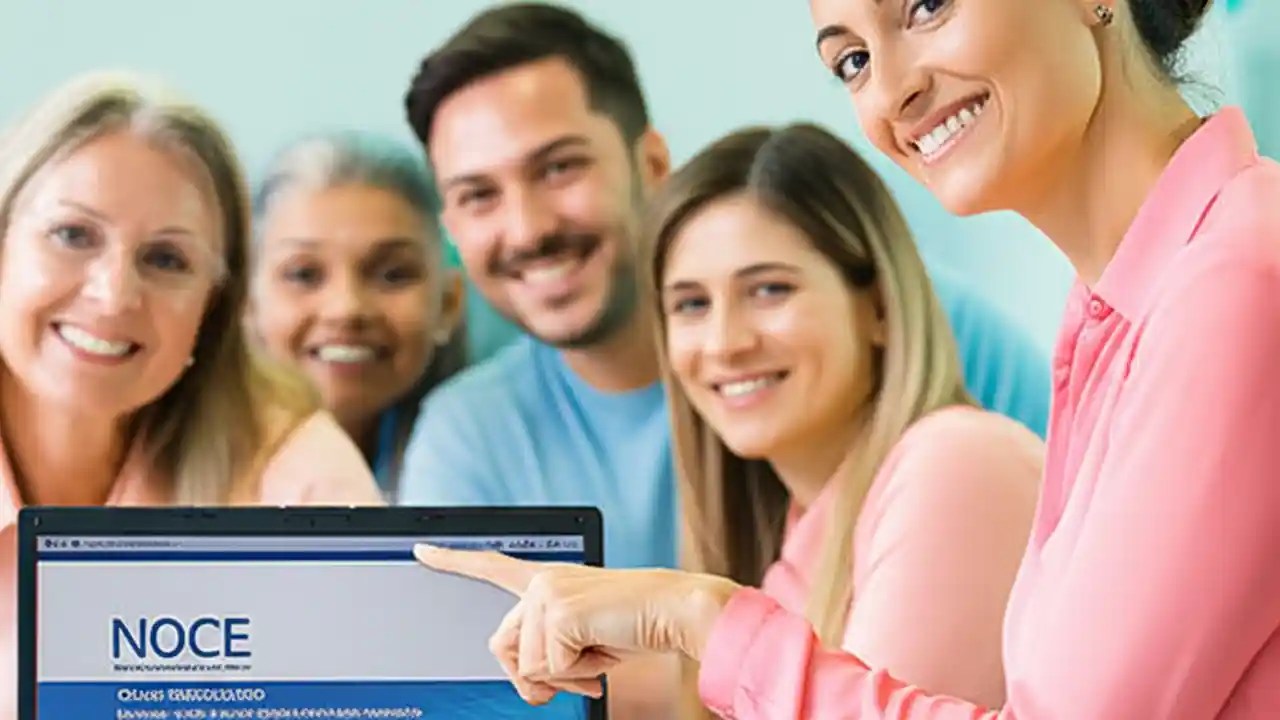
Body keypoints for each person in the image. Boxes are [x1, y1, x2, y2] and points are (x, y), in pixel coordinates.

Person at [414, 0, 1280, 717]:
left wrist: (700, 617)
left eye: (928, 7)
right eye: (853, 61)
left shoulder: (1239, 279)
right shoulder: (1120, 314)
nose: (893, 90)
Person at [397, 2, 1051, 571]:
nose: (528, 228)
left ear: (650, 163)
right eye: (477, 196)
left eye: (560, 168)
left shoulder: (921, 323)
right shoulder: (468, 437)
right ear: (450, 225)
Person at [0, 72, 383, 713]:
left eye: (167, 260)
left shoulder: (295, 473)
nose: (114, 295)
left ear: (215, 306)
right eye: (73, 234)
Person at [656, 124, 1043, 713]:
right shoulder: (797, 542)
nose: (724, 342)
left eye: (768, 290)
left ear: (880, 307)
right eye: (691, 304)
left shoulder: (957, 462)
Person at [249, 131, 466, 499]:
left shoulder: (486, 458)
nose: (347, 308)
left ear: (448, 303)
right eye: (304, 274)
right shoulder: (182, 468)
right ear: (246, 303)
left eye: (393, 274)